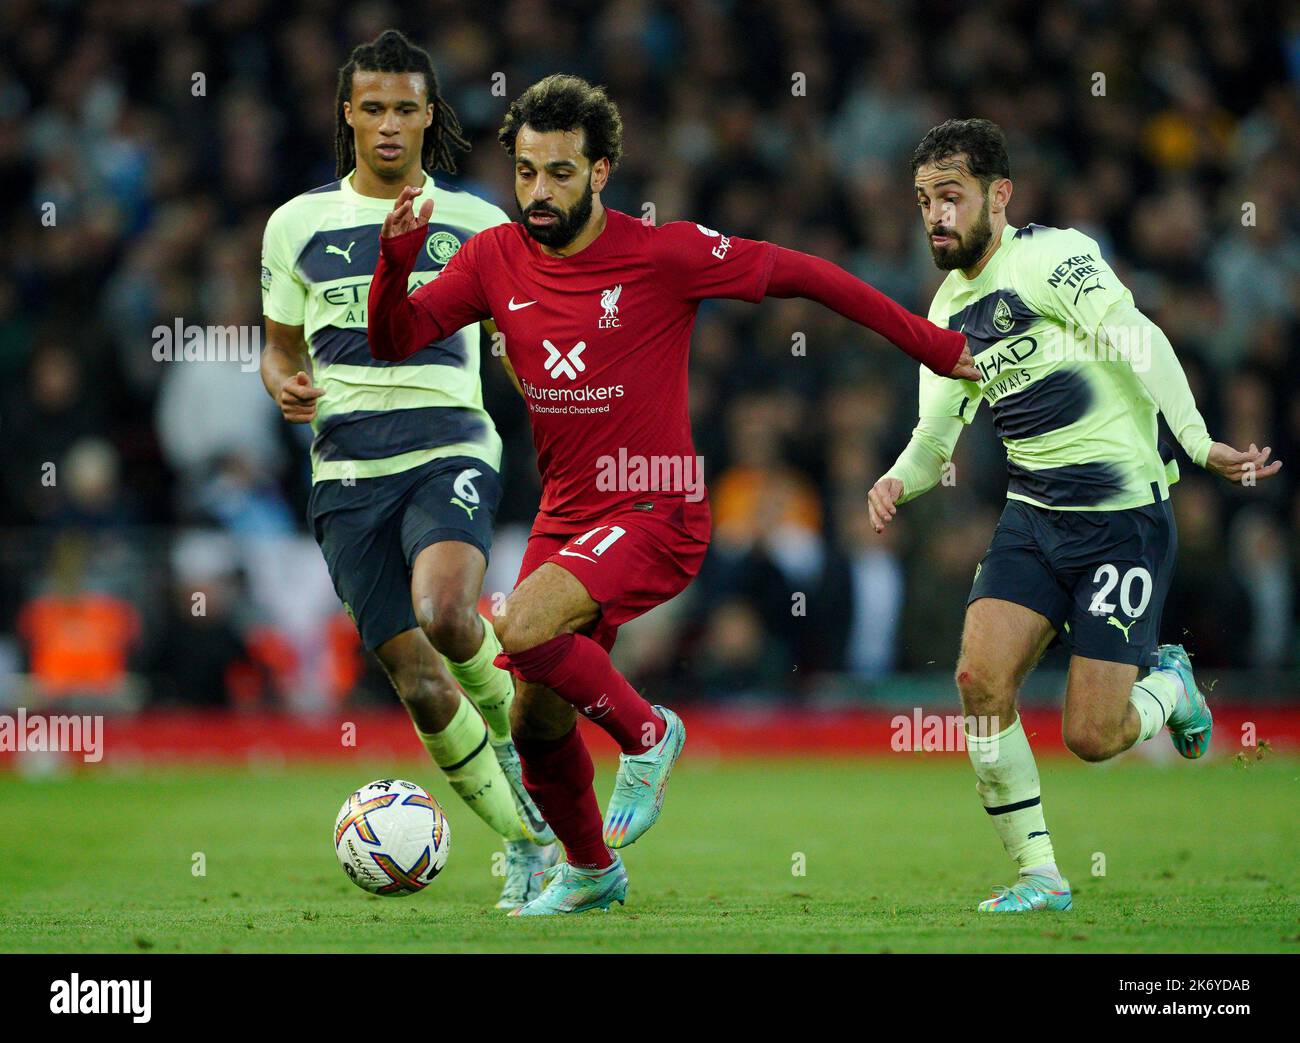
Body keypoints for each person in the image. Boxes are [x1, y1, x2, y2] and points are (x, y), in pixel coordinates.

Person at [368, 74, 976, 916]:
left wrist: (934, 344)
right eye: (527, 172)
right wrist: (396, 259)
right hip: (566, 514)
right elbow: (394, 337)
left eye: (561, 173)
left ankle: (649, 733)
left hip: (658, 507)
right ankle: (592, 870)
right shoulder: (491, 259)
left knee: (518, 625)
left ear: (603, 170)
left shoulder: (661, 254)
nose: (539, 193)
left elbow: (807, 276)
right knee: (536, 718)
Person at [869, 118, 1283, 913]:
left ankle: (1173, 686)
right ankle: (1040, 874)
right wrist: (895, 481)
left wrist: (1197, 442)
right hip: (1033, 515)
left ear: (1000, 196)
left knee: (1092, 735)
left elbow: (1137, 336)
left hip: (1122, 519)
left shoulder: (1054, 257)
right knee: (977, 679)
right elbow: (934, 436)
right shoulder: (947, 308)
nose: (934, 216)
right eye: (923, 200)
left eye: (950, 197)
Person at [259, 30, 555, 911]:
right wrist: (286, 385)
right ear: (349, 114)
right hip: (345, 473)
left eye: (406, 109)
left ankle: (525, 751)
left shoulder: (480, 221)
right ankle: (528, 841)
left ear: (430, 117)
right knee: (422, 684)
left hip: (449, 447)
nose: (389, 125)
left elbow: (522, 339)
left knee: (447, 611)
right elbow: (277, 351)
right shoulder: (294, 224)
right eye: (374, 108)